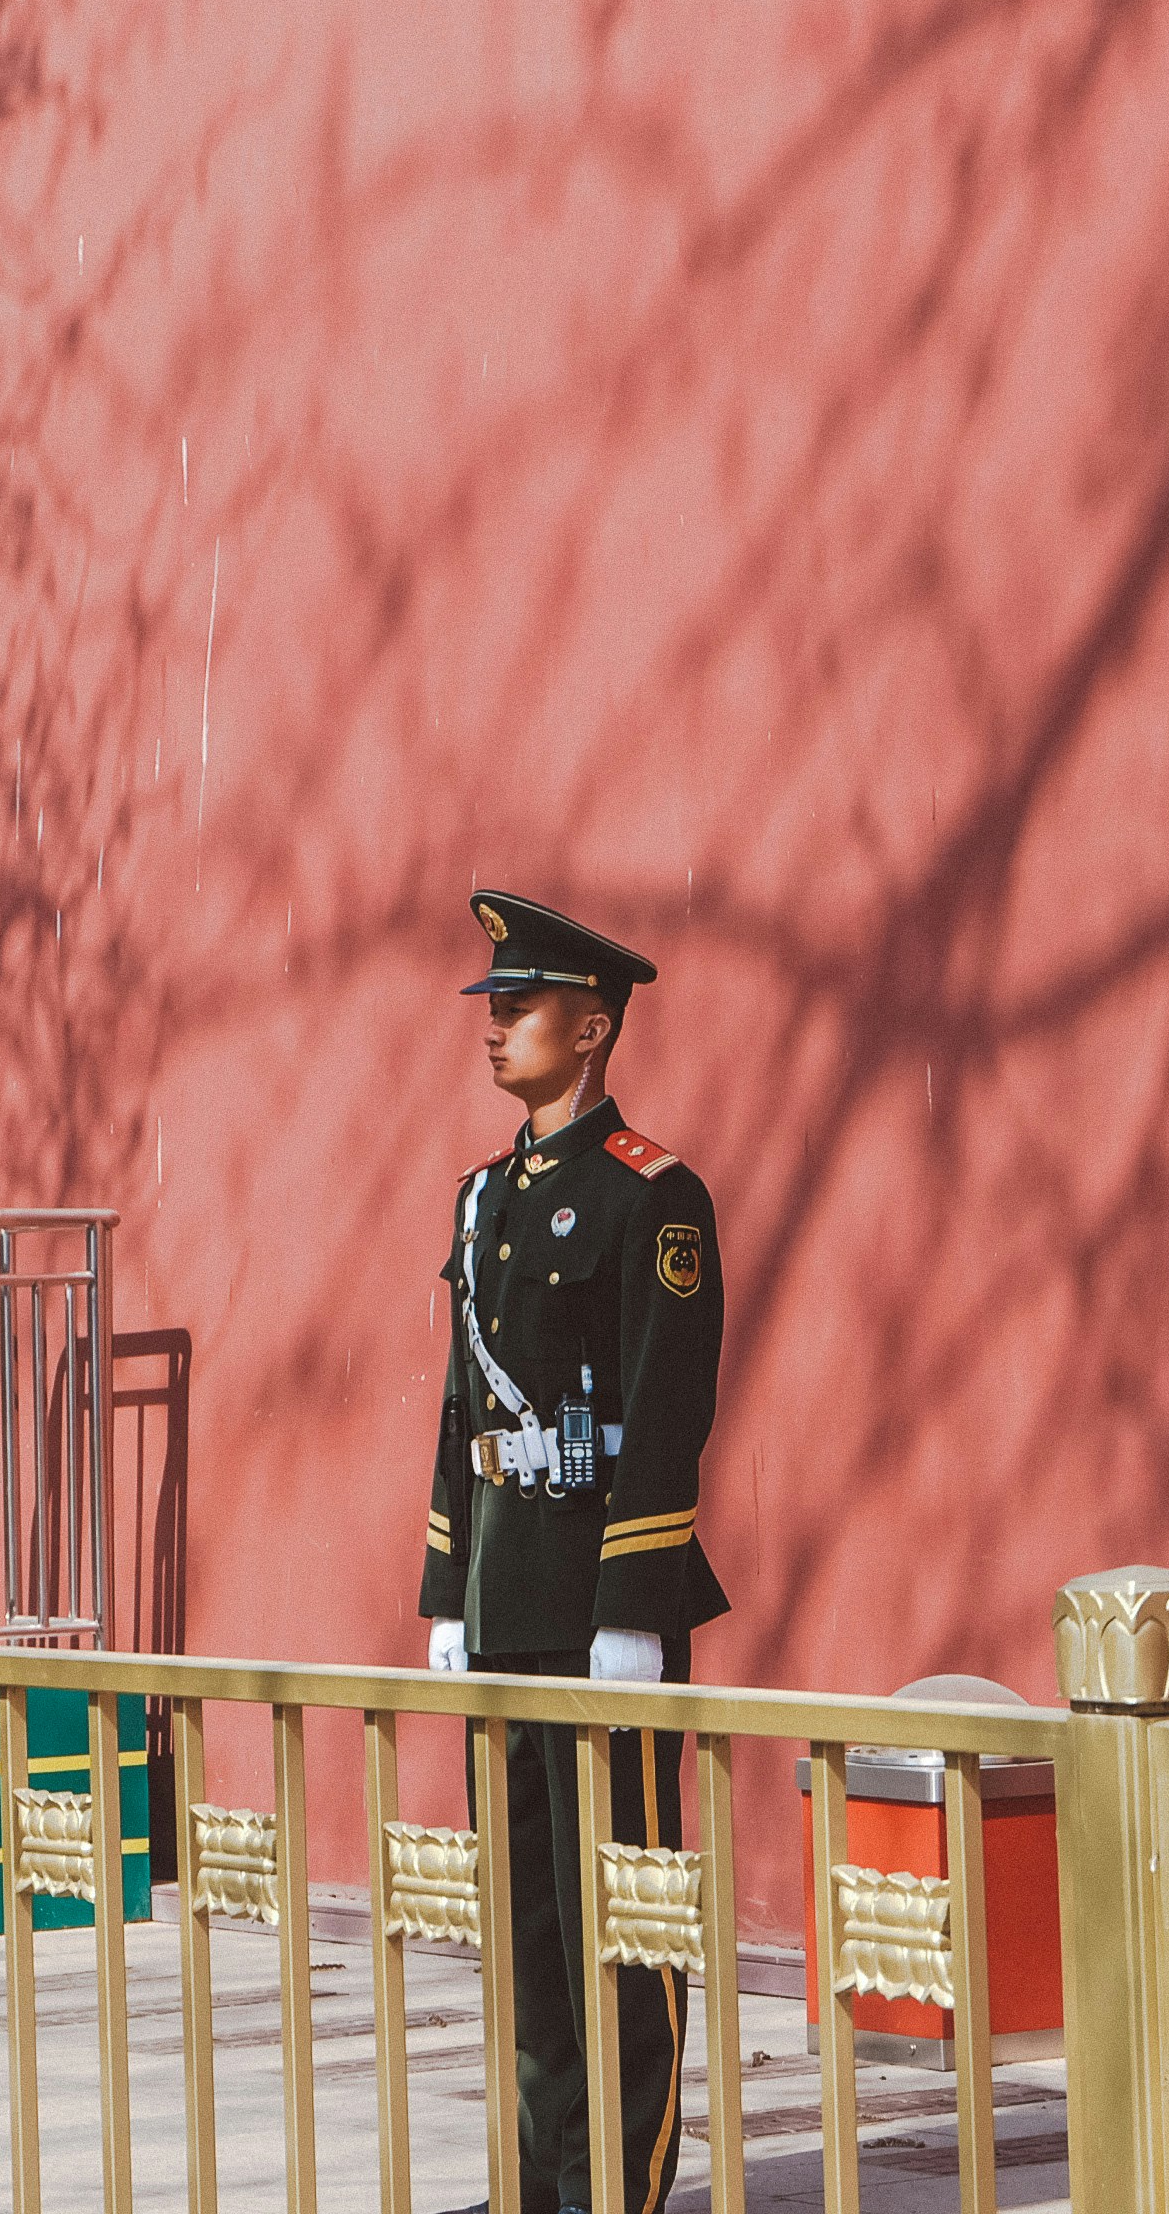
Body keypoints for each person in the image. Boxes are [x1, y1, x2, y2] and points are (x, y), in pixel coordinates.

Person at [420, 888, 729, 2214]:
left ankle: (620, 2186)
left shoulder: (651, 1197)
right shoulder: (484, 1199)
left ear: (591, 1028)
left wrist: (635, 1608)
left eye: (522, 1004)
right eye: (492, 1003)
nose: (495, 1027)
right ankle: (542, 2185)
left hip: (597, 1599)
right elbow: (458, 1408)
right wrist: (446, 1587)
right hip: (504, 1595)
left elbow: (666, 1410)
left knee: (621, 1923)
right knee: (531, 1928)